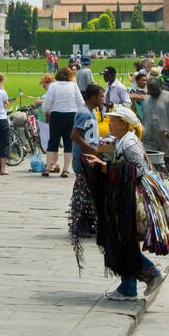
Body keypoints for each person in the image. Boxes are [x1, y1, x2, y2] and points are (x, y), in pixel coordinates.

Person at [74, 105, 169, 299]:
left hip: (131, 199)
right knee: (122, 240)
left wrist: (104, 166)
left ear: (124, 125)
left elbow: (136, 169)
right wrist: (103, 165)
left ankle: (151, 274)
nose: (110, 124)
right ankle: (128, 287)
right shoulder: (122, 140)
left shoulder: (129, 143)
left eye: (114, 121)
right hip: (123, 196)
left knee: (123, 240)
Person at [69, 82, 104, 238]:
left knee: (90, 192)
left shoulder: (91, 112)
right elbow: (75, 135)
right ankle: (81, 224)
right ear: (93, 97)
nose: (103, 99)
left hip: (90, 157)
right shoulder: (84, 113)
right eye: (101, 96)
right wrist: (92, 150)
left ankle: (88, 223)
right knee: (84, 193)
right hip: (83, 158)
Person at [142, 76, 169, 193]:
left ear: (159, 87)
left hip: (168, 138)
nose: (151, 92)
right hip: (151, 140)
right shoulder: (146, 101)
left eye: (153, 89)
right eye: (149, 89)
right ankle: (156, 189)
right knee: (152, 165)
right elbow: (144, 120)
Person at [41, 66, 85, 177]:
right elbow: (81, 103)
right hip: (71, 115)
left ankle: (47, 168)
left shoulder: (53, 86)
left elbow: (46, 103)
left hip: (56, 115)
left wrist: (46, 111)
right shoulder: (73, 86)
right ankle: (65, 169)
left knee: (53, 141)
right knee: (68, 142)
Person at [32, 73, 54, 152]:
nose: (44, 87)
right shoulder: (48, 92)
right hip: (43, 119)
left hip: (47, 119)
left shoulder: (53, 91)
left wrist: (39, 101)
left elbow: (52, 101)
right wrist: (36, 103)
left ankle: (51, 161)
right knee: (45, 140)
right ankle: (50, 161)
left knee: (47, 140)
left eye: (44, 85)